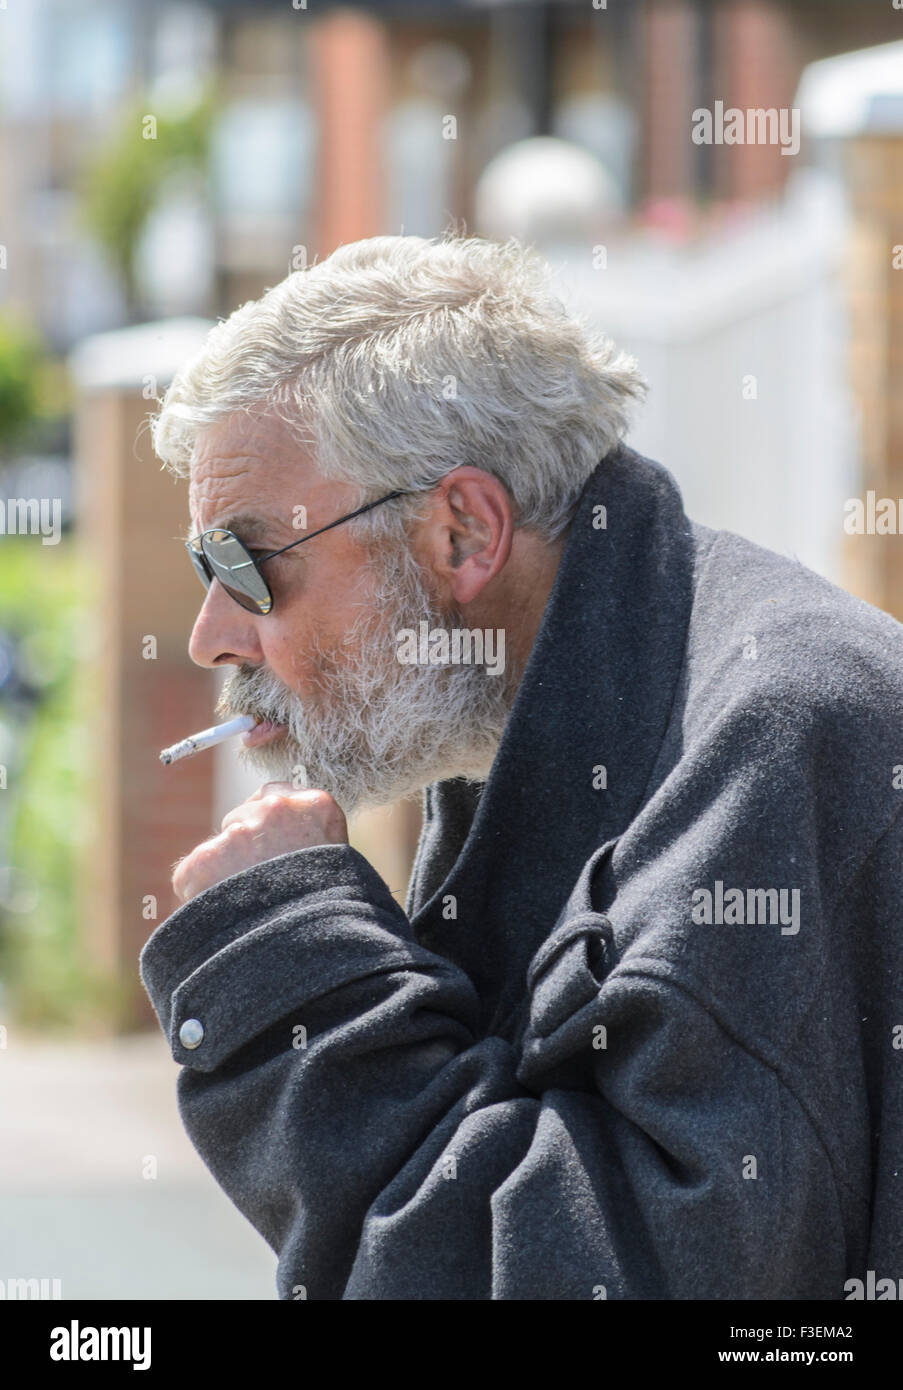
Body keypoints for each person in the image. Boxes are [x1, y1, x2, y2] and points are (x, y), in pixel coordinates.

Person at [140, 233, 903, 1300]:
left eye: (247, 562)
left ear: (462, 532)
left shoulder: (771, 736)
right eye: (202, 565)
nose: (211, 632)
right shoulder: (528, 731)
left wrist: (289, 962)